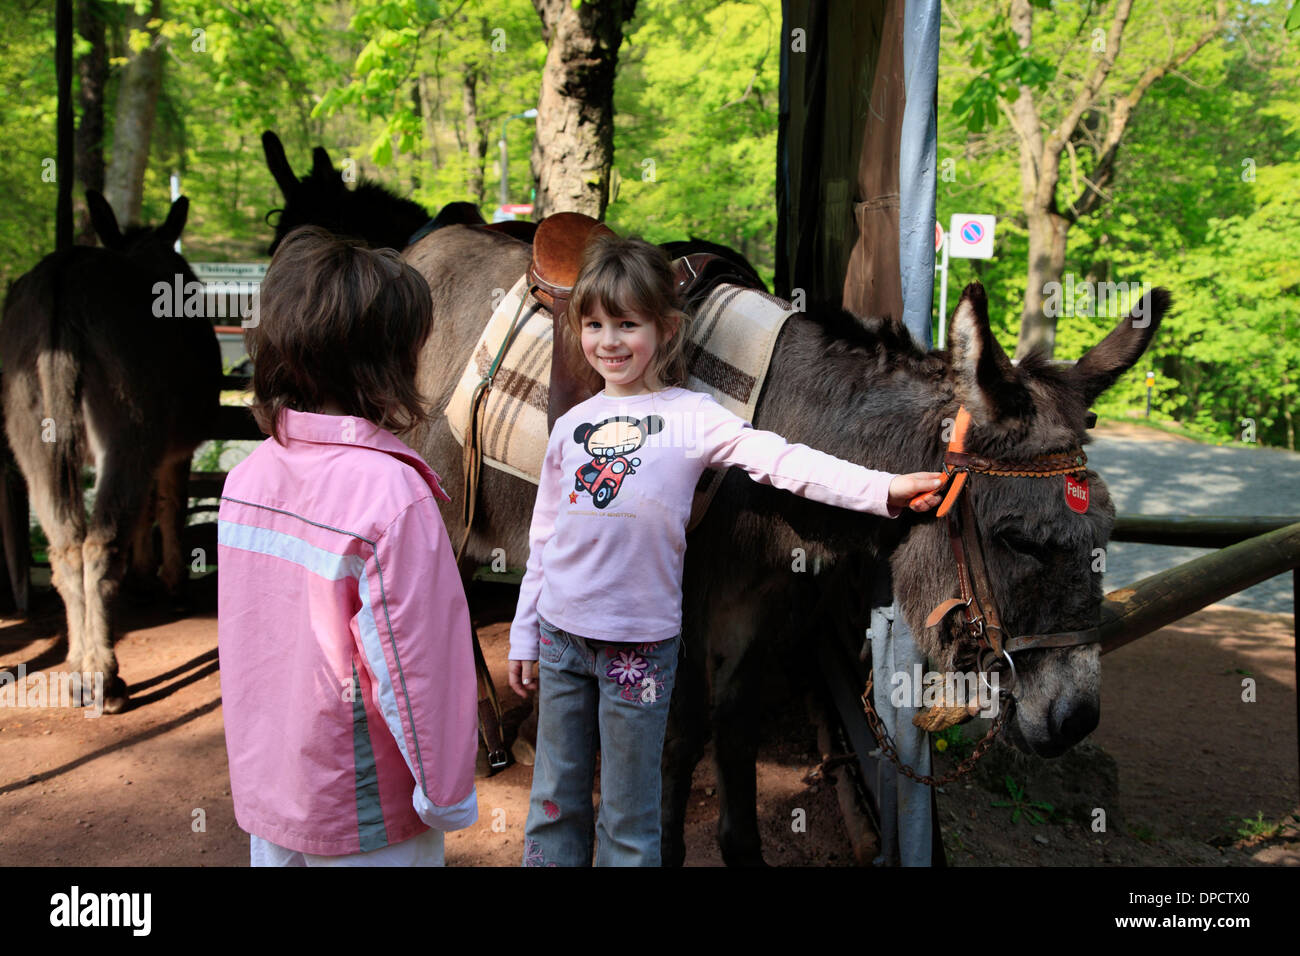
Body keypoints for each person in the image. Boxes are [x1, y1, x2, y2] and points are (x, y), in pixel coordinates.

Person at [508, 235, 945, 866]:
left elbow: (785, 463)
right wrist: (524, 635)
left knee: (630, 814)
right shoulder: (573, 424)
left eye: (627, 324)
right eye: (595, 324)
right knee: (553, 799)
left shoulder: (696, 417)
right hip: (560, 639)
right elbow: (544, 538)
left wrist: (885, 490)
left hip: (638, 646)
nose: (609, 341)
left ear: (665, 327)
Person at [217, 225, 478, 867]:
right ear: (392, 359)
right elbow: (419, 668)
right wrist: (446, 796)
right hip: (367, 809)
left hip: (274, 795)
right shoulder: (394, 497)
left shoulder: (246, 479)